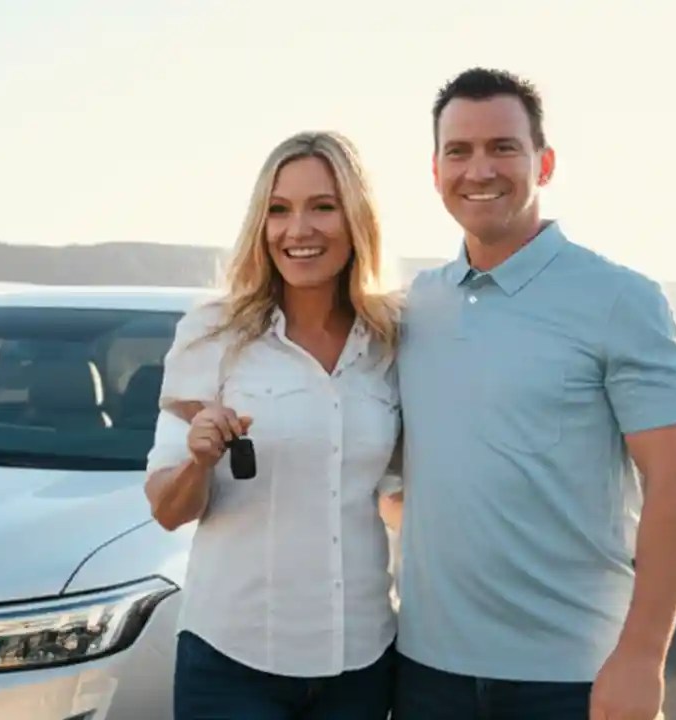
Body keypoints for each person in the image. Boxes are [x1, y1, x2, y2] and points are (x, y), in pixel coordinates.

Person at [389, 67, 676, 720]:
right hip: (424, 674)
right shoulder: (415, 307)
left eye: (503, 147)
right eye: (459, 151)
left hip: (572, 677)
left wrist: (643, 656)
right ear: (436, 171)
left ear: (545, 162)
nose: (480, 169)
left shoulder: (620, 299)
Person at [144, 130, 403, 720]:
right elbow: (167, 509)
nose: (297, 230)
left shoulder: (390, 341)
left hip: (361, 662)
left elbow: (401, 495)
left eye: (323, 207)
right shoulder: (212, 333)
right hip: (233, 663)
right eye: (279, 210)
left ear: (357, 218)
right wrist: (198, 461)